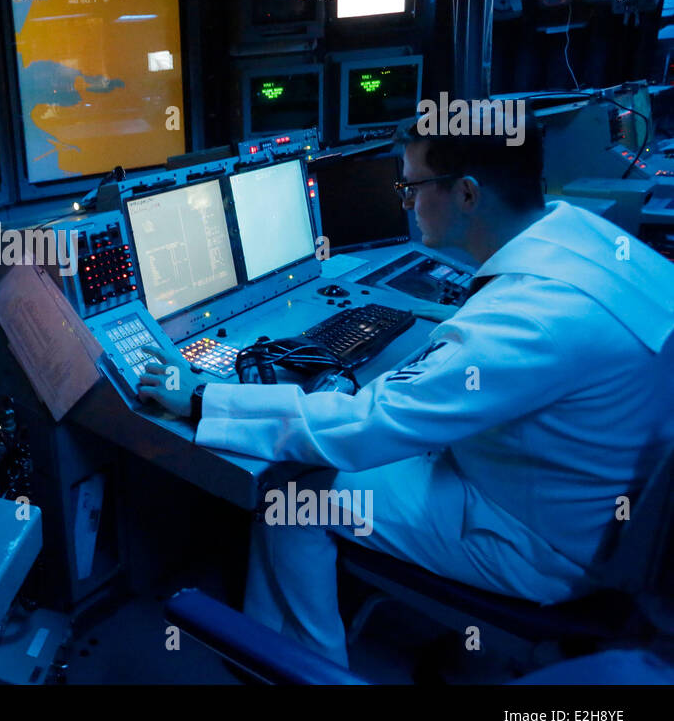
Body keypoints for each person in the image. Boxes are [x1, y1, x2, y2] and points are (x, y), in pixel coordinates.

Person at [137, 122, 674, 668]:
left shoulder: (530, 319)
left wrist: (204, 399)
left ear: (466, 193)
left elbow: (366, 428)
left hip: (544, 545)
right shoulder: (589, 237)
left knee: (290, 500)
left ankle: (301, 668)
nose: (408, 205)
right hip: (601, 510)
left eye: (412, 188)